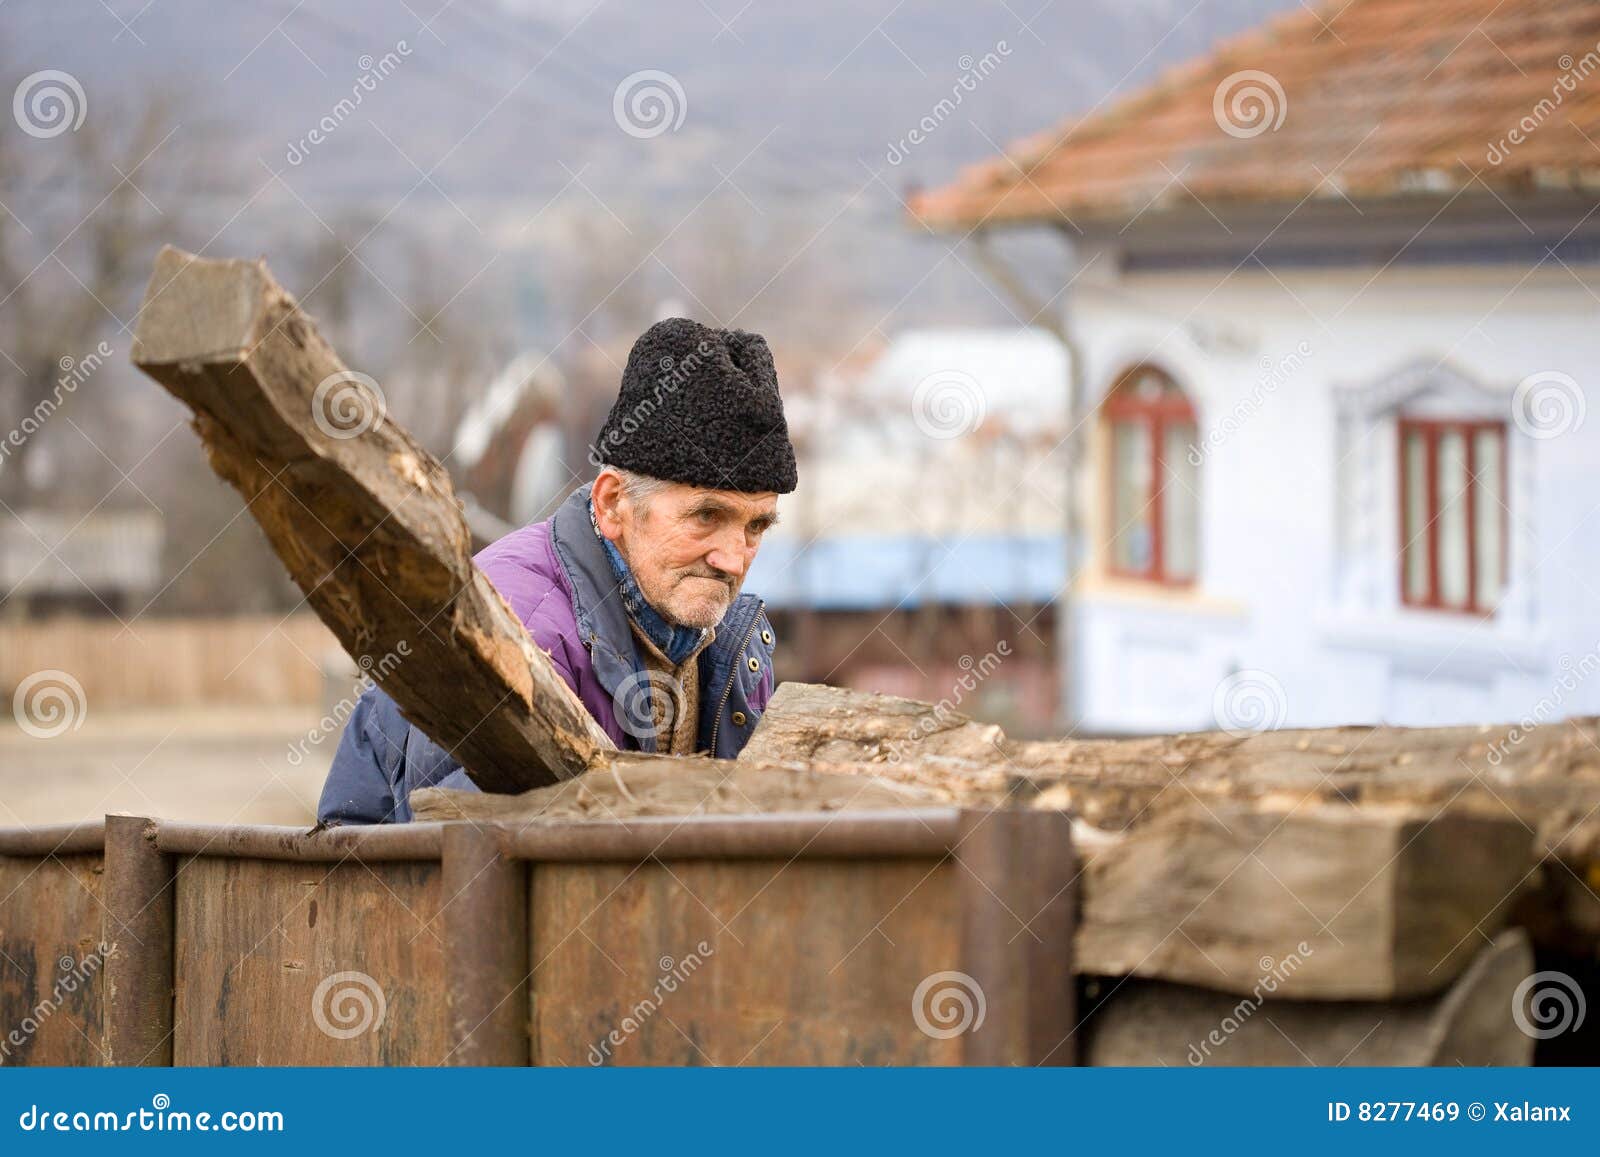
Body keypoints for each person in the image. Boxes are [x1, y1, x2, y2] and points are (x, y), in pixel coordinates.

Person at [316, 317, 797, 824]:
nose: (734, 558)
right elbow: (459, 875)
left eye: (756, 526)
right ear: (613, 505)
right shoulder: (516, 631)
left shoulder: (725, 641)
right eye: (706, 516)